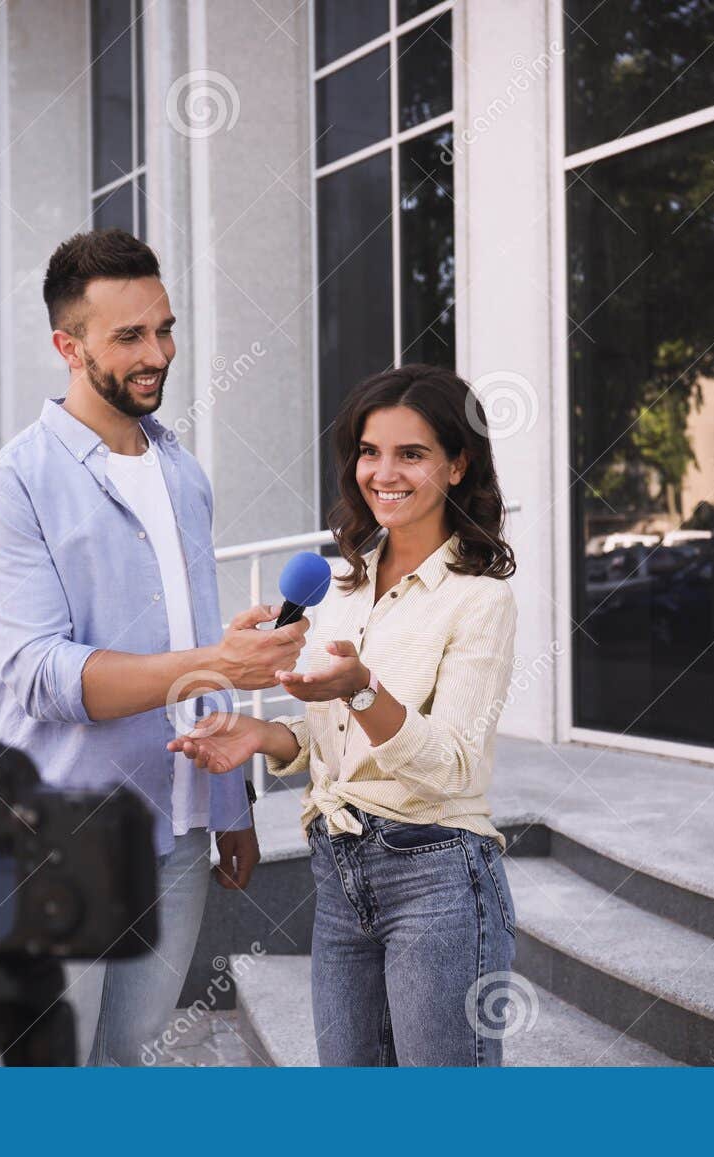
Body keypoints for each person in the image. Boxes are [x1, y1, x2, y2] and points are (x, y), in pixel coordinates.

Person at [0, 228, 308, 1064]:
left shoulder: (183, 472)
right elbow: (44, 676)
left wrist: (233, 806)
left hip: (184, 830)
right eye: (128, 337)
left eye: (165, 328)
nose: (157, 353)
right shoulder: (11, 487)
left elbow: (198, 641)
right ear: (67, 345)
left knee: (127, 1058)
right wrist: (217, 665)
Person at [168, 363, 520, 1066]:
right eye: (369, 451)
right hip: (338, 870)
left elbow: (448, 765)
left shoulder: (480, 600)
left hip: (437, 874)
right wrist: (261, 735)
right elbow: (334, 737)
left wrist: (360, 687)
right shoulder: (344, 585)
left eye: (411, 453)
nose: (382, 472)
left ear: (458, 465)